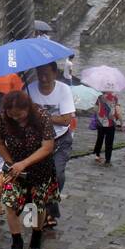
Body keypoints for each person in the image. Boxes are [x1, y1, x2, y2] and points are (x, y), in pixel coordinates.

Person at [0, 91, 57, 249]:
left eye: (19, 115)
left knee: (37, 205)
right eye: (12, 115)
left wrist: (24, 163)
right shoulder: (4, 118)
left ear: (27, 108)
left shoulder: (42, 116)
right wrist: (10, 161)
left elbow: (48, 146)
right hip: (15, 170)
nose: (16, 118)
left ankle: (36, 236)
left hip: (40, 170)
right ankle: (16, 243)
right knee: (10, 203)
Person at [26, 62, 75, 228]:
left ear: (55, 73)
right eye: (40, 73)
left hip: (60, 140)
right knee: (34, 178)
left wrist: (41, 115)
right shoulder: (29, 89)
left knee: (57, 175)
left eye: (46, 73)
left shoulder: (64, 90)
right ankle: (36, 214)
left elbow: (66, 119)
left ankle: (49, 209)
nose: (43, 77)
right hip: (37, 141)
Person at [92, 91, 120, 165]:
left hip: (100, 122)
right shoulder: (115, 98)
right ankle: (107, 160)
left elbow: (95, 109)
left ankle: (97, 155)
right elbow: (117, 111)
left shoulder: (100, 97)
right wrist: (120, 121)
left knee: (99, 139)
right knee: (109, 142)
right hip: (111, 123)